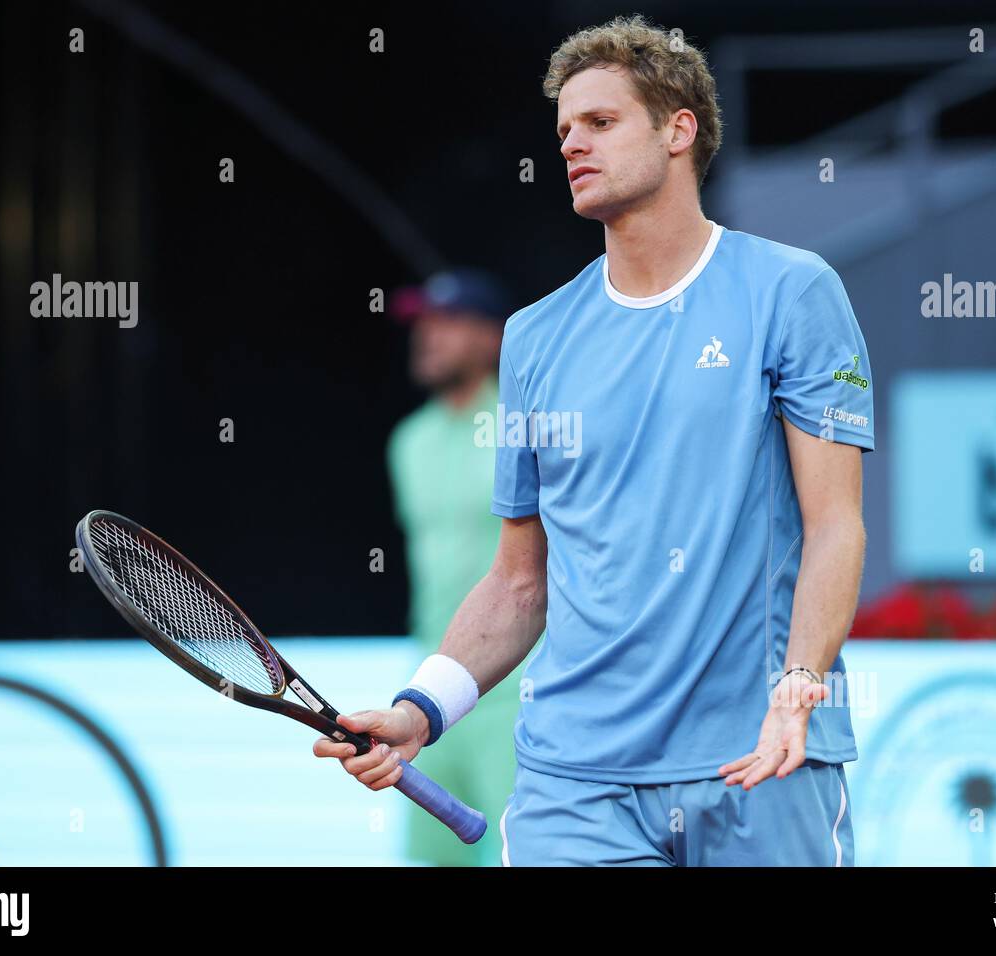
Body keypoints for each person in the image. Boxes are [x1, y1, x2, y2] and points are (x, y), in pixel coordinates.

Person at [318, 14, 874, 866]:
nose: (572, 144)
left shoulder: (793, 292)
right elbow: (516, 582)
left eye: (601, 123)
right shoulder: (534, 338)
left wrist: (800, 684)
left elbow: (835, 524)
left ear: (679, 130)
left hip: (762, 761)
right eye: (565, 130)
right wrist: (419, 710)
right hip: (573, 786)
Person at [385, 269, 532, 866]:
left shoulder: (525, 424)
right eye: (423, 323)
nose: (429, 336)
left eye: (449, 322)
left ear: (492, 338)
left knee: (523, 855)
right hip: (428, 690)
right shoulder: (408, 441)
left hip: (517, 696)